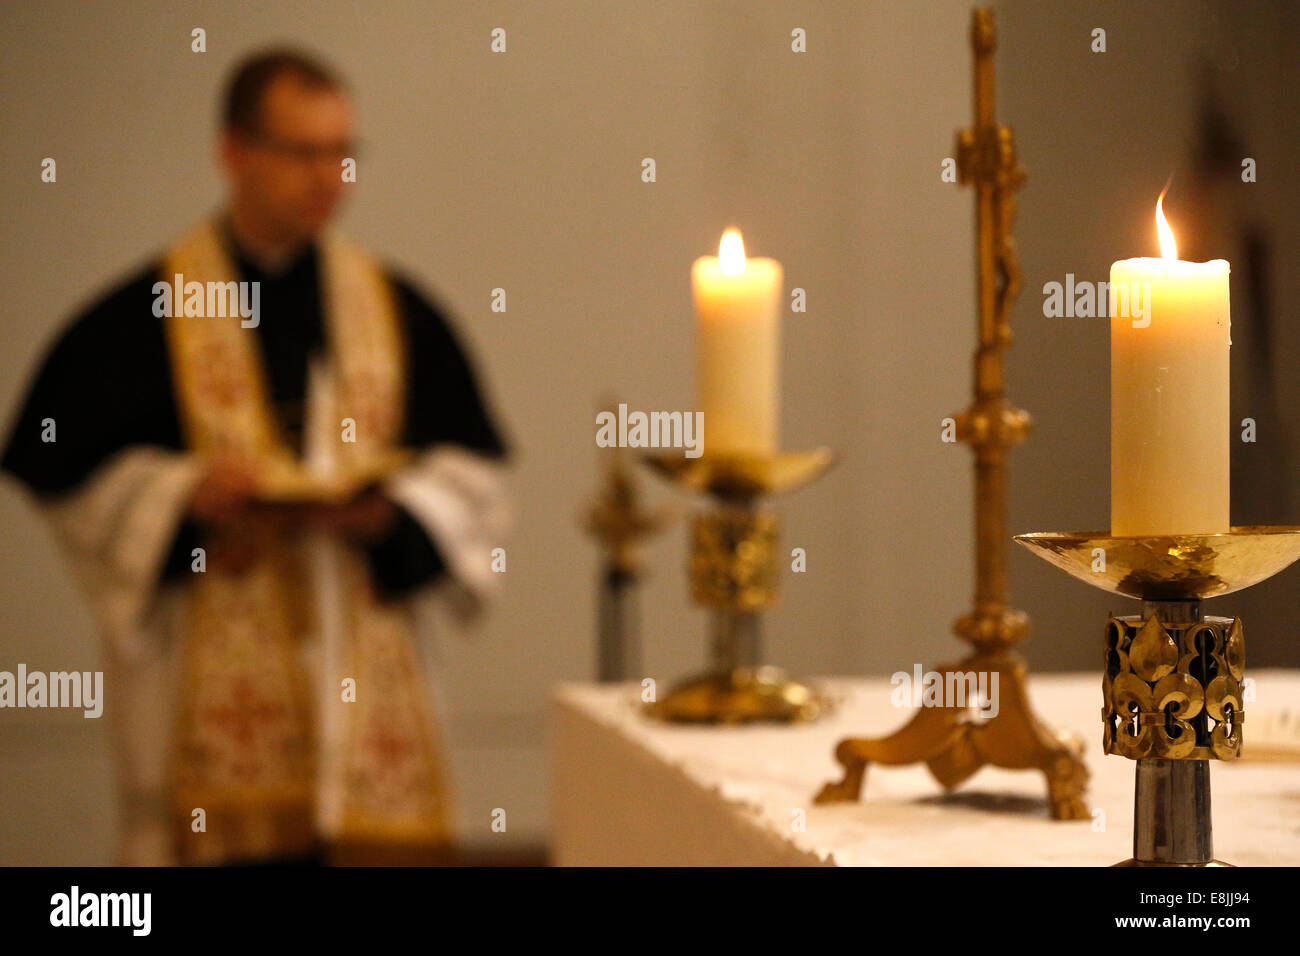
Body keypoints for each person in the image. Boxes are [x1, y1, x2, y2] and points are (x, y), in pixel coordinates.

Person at [1, 48, 512, 865]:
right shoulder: (146, 314)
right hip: (206, 669)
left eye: (344, 152)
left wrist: (391, 512)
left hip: (359, 653)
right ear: (233, 152)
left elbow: (475, 477)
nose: (330, 176)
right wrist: (180, 496)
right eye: (303, 151)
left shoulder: (395, 307)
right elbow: (64, 474)